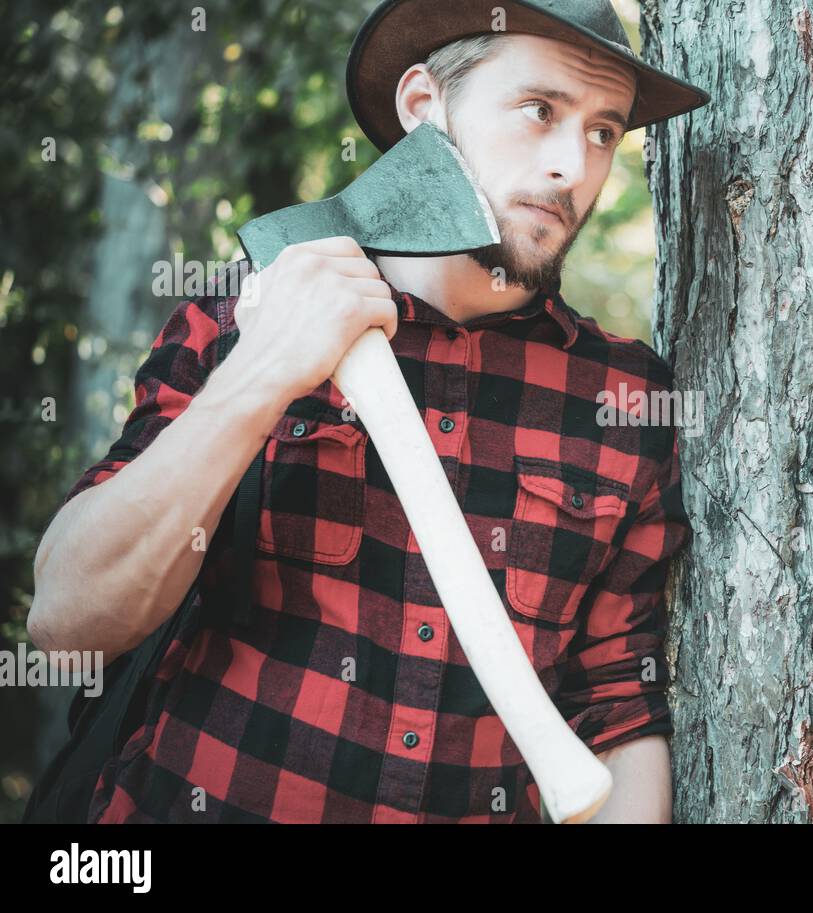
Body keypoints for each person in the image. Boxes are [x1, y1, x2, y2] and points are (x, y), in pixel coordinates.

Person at [27, 0, 709, 823]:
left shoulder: (625, 402)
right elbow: (69, 623)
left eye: (604, 131)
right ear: (423, 109)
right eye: (540, 110)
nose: (575, 164)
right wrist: (264, 371)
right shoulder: (248, 314)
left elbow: (618, 704)